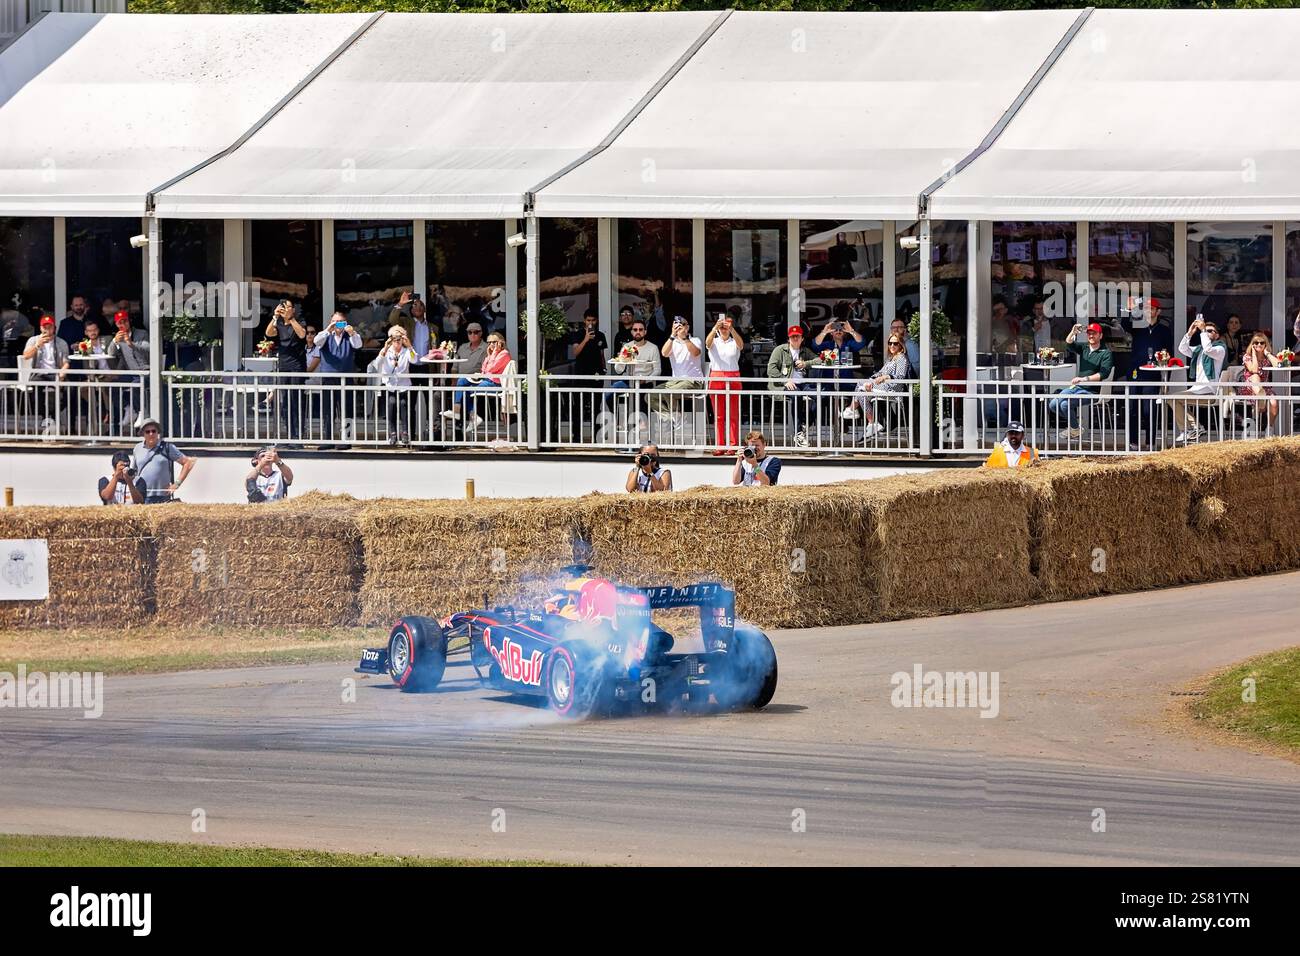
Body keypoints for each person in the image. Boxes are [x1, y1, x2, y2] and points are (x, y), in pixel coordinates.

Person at [1120, 297, 1175, 450]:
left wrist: (1166, 380)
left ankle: (1150, 442)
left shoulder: (1164, 330)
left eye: (1151, 308)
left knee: (1149, 410)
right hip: (1135, 373)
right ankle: (1133, 443)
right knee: (1132, 409)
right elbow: (1125, 325)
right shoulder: (1138, 326)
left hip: (1154, 375)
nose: (1147, 311)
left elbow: (1168, 355)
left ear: (1158, 311)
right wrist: (1128, 310)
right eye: (1145, 308)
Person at [1048, 322, 1113, 439]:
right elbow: (1069, 344)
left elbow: (1104, 374)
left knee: (1064, 405)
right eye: (1089, 333)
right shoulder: (1085, 348)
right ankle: (1075, 428)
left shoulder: (1106, 353)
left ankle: (1074, 428)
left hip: (1092, 392)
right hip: (1077, 388)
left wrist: (1084, 379)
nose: (1091, 336)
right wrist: (1073, 332)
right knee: (1053, 404)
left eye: (1094, 334)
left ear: (1101, 336)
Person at [843, 332, 911, 442]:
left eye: (895, 343)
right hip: (884, 387)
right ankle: (871, 423)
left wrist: (885, 376)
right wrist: (872, 380)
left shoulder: (901, 358)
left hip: (893, 389)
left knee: (861, 385)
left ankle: (852, 409)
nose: (892, 346)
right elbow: (880, 373)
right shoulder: (891, 358)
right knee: (861, 391)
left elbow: (900, 376)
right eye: (890, 343)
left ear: (901, 345)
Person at [443, 331, 511, 430]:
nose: (491, 345)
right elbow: (484, 370)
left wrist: (493, 353)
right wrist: (489, 356)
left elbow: (491, 369)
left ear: (500, 342)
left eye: (494, 342)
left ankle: (473, 417)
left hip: (495, 383)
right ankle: (456, 410)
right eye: (489, 342)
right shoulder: (492, 354)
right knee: (462, 380)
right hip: (486, 380)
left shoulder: (504, 354)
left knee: (466, 390)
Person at [1174, 315, 1227, 443]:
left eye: (1210, 331)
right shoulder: (1199, 350)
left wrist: (1202, 331)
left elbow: (1208, 349)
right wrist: (1189, 333)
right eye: (1205, 330)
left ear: (1217, 335)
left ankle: (1193, 428)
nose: (1207, 332)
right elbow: (1182, 349)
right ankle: (1194, 427)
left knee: (1174, 398)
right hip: (1198, 390)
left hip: (1209, 391)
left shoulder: (1220, 349)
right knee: (1171, 398)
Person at [313, 312, 362, 450]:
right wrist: (328, 329)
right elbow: (317, 341)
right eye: (335, 321)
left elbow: (358, 345)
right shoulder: (325, 336)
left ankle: (346, 440)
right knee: (328, 410)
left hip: (346, 378)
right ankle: (328, 439)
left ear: (346, 323)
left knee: (347, 410)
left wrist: (352, 333)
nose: (338, 325)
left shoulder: (350, 336)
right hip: (329, 378)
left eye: (341, 322)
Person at [266, 299, 307, 447]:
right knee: (285, 402)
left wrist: (291, 319)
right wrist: (275, 317)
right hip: (283, 366)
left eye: (288, 307)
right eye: (283, 307)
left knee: (296, 401)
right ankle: (289, 436)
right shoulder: (279, 323)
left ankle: (298, 438)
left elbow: (302, 335)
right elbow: (269, 333)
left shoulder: (300, 321)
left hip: (297, 367)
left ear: (293, 309)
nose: (285, 309)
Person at [767, 325, 817, 447]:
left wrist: (805, 363)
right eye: (792, 337)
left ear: (802, 338)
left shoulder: (805, 351)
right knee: (796, 396)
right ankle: (798, 433)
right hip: (782, 385)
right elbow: (771, 369)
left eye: (797, 336)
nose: (795, 339)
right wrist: (785, 381)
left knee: (821, 394)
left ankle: (806, 423)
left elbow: (818, 360)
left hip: (802, 384)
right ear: (788, 339)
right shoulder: (780, 350)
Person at [649, 316, 703, 425]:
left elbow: (695, 353)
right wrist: (672, 335)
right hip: (675, 382)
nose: (679, 327)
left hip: (694, 382)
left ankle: (677, 419)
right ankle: (673, 417)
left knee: (669, 392)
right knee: (650, 396)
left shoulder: (694, 340)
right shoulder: (672, 342)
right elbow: (664, 353)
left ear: (687, 327)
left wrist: (685, 338)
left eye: (682, 325)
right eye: (677, 325)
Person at [705, 312, 745, 454]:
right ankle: (720, 445)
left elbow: (741, 345)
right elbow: (707, 343)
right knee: (719, 415)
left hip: (733, 375)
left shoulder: (734, 341)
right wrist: (714, 328)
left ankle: (733, 445)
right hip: (717, 375)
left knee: (733, 414)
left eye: (726, 326)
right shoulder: (714, 340)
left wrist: (732, 329)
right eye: (722, 326)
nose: (724, 328)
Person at [22, 315, 69, 432]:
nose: (47, 330)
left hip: (55, 373)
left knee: (70, 390)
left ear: (54, 328)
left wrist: (62, 374)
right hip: (39, 374)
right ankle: (47, 418)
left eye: (50, 327)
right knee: (36, 387)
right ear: (40, 328)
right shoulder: (33, 340)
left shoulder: (61, 342)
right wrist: (37, 346)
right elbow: (26, 356)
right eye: (44, 327)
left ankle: (52, 416)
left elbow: (66, 362)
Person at [105, 309, 150, 429]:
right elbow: (110, 353)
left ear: (129, 321)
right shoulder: (118, 337)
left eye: (124, 321)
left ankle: (141, 411)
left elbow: (148, 349)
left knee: (136, 385)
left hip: (146, 371)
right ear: (116, 324)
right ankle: (129, 409)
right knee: (112, 385)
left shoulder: (141, 333)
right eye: (120, 323)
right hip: (130, 372)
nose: (123, 325)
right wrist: (114, 341)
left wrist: (131, 344)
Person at [132, 419, 195, 504]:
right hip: (142, 496)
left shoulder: (167, 447)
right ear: (143, 433)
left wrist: (177, 484)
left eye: (154, 431)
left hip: (162, 497)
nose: (151, 434)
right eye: (147, 432)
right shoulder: (137, 448)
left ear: (158, 432)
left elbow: (188, 463)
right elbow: (134, 472)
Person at [604, 318, 658, 412]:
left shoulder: (653, 348)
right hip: (628, 380)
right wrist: (623, 359)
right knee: (608, 394)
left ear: (645, 332)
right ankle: (617, 421)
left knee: (641, 407)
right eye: (635, 330)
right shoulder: (627, 346)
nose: (638, 332)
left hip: (645, 382)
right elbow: (618, 370)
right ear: (632, 332)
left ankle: (641, 424)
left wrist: (645, 380)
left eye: (640, 330)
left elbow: (657, 370)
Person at [376, 325, 417, 445]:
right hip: (390, 384)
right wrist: (385, 347)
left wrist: (409, 346)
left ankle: (405, 433)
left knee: (404, 405)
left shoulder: (406, 351)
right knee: (392, 404)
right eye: (394, 338)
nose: (397, 341)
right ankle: (392, 433)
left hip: (404, 384)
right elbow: (377, 363)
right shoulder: (386, 351)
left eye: (399, 338)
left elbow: (414, 360)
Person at [1238, 332, 1281, 436]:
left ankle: (1269, 428)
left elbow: (1278, 365)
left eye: (1262, 343)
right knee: (1255, 376)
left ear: (1265, 344)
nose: (1259, 345)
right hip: (1248, 387)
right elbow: (1254, 369)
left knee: (1274, 403)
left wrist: (1267, 353)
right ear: (1252, 344)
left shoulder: (1267, 358)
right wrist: (1253, 354)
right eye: (1256, 342)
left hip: (1264, 388)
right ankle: (1260, 396)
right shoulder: (1247, 356)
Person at [569, 308, 608, 377]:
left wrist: (604, 368)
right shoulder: (578, 334)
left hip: (597, 371)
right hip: (582, 371)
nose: (591, 323)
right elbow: (575, 352)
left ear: (597, 320)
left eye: (593, 320)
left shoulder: (600, 335)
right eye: (588, 320)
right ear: (584, 321)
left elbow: (602, 354)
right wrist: (585, 339)